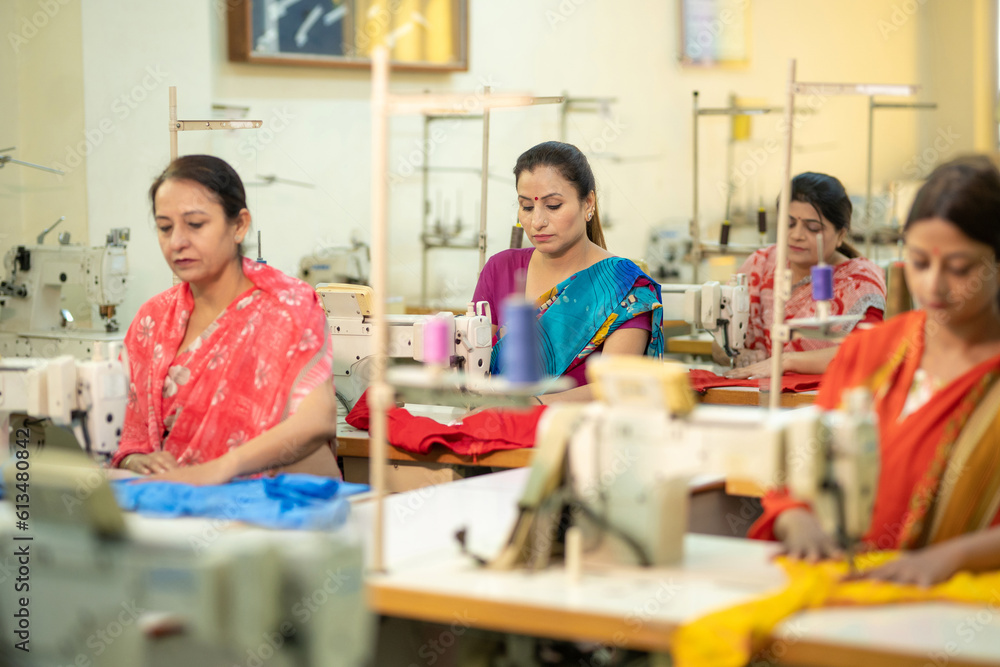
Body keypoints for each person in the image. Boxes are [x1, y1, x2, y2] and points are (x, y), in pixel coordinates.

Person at [749, 155, 1000, 586]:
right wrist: (795, 517)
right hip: (852, 591)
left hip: (964, 610)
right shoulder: (872, 352)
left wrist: (952, 558)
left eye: (959, 269)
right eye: (920, 262)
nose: (934, 286)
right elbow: (804, 463)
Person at [111, 155, 340, 484]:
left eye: (195, 224)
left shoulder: (287, 307)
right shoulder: (153, 320)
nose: (177, 241)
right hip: (182, 498)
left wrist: (220, 469)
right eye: (165, 228)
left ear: (239, 225)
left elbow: (317, 421)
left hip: (277, 502)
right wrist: (136, 461)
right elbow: (127, 432)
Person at [472, 141, 663, 403]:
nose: (537, 221)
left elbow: (615, 387)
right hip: (496, 433)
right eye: (527, 207)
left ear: (588, 203)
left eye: (553, 206)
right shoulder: (500, 269)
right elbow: (473, 369)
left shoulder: (624, 287)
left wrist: (526, 407)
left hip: (577, 435)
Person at [719, 172, 886, 378]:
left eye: (813, 228)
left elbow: (870, 351)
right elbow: (718, 345)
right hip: (756, 396)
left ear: (841, 235)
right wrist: (740, 355)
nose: (796, 235)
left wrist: (787, 361)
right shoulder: (759, 264)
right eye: (788, 224)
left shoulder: (858, 282)